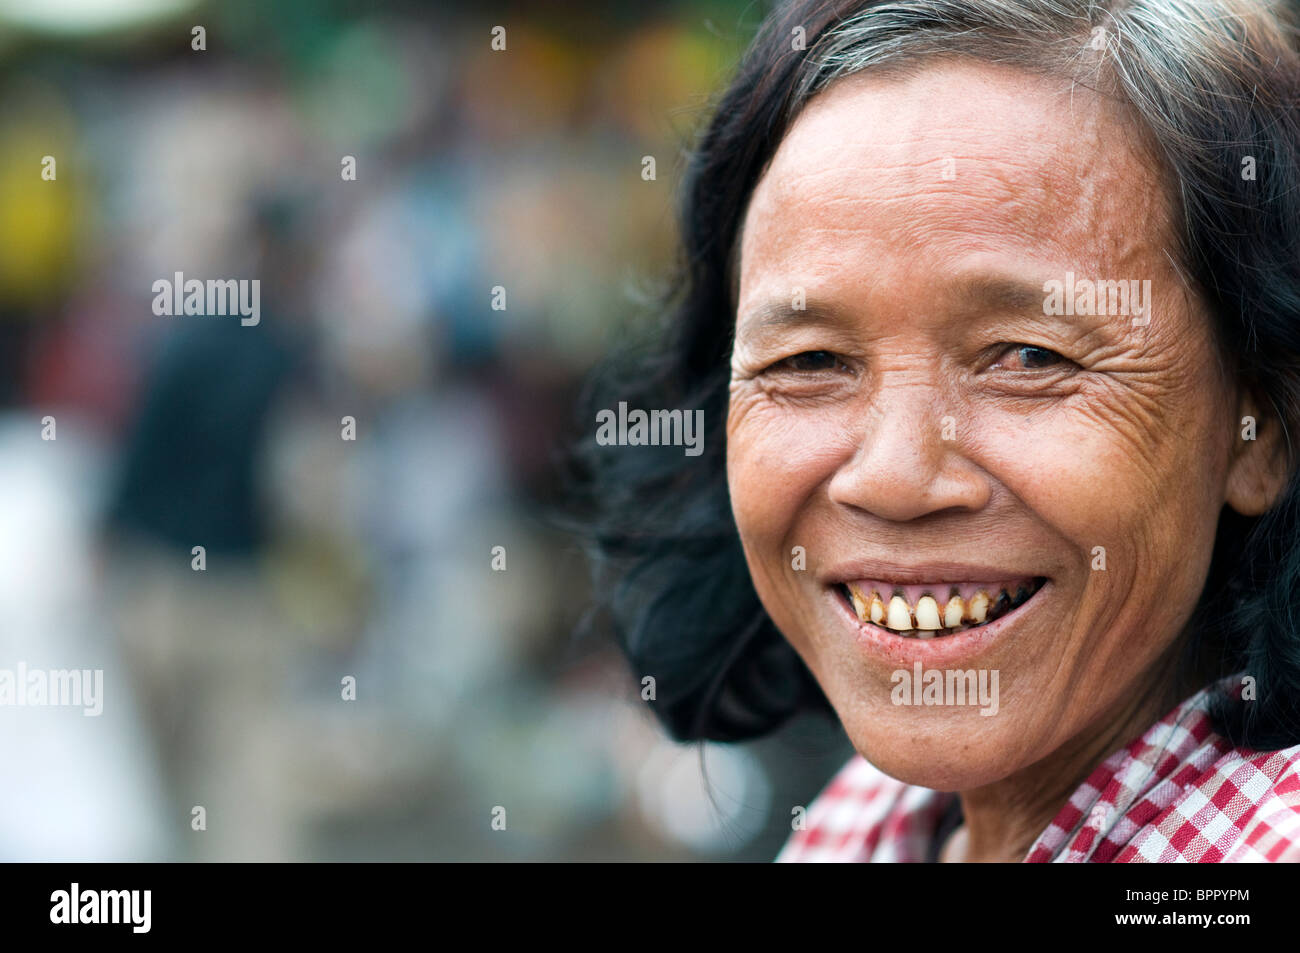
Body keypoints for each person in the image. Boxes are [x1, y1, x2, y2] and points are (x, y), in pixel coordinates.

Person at [575, 0, 1300, 861]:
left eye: (1028, 356)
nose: (894, 477)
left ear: (1261, 429)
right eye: (808, 361)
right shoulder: (866, 824)